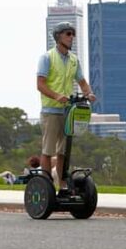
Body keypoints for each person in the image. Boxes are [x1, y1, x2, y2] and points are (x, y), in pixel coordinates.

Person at [36, 21, 95, 190]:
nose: (72, 37)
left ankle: (61, 184)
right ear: (58, 36)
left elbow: (82, 82)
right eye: (68, 34)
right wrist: (56, 96)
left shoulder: (74, 60)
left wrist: (88, 93)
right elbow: (40, 84)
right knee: (48, 150)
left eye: (73, 34)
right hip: (50, 111)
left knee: (63, 151)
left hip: (68, 112)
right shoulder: (47, 58)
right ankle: (45, 185)